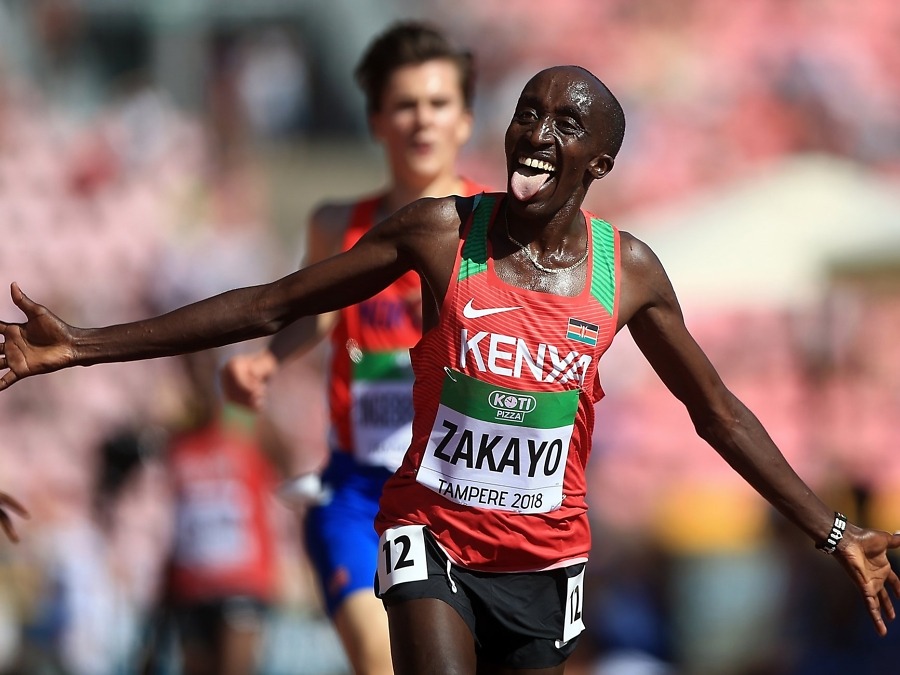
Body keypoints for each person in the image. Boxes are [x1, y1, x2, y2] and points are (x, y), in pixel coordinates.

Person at [2, 65, 899, 675]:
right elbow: (273, 302)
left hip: (549, 564)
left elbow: (719, 412)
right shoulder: (442, 234)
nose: (537, 134)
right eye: (528, 113)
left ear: (603, 161)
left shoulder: (626, 272)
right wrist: (79, 343)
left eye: (567, 124)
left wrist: (833, 532)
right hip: (431, 534)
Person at [218, 21, 486, 675]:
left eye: (438, 103)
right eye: (404, 105)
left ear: (465, 121)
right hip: (362, 495)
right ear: (376, 121)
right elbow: (319, 316)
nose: (421, 121)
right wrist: (266, 358)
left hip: (469, 493)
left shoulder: (496, 227)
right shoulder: (339, 225)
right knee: (381, 657)